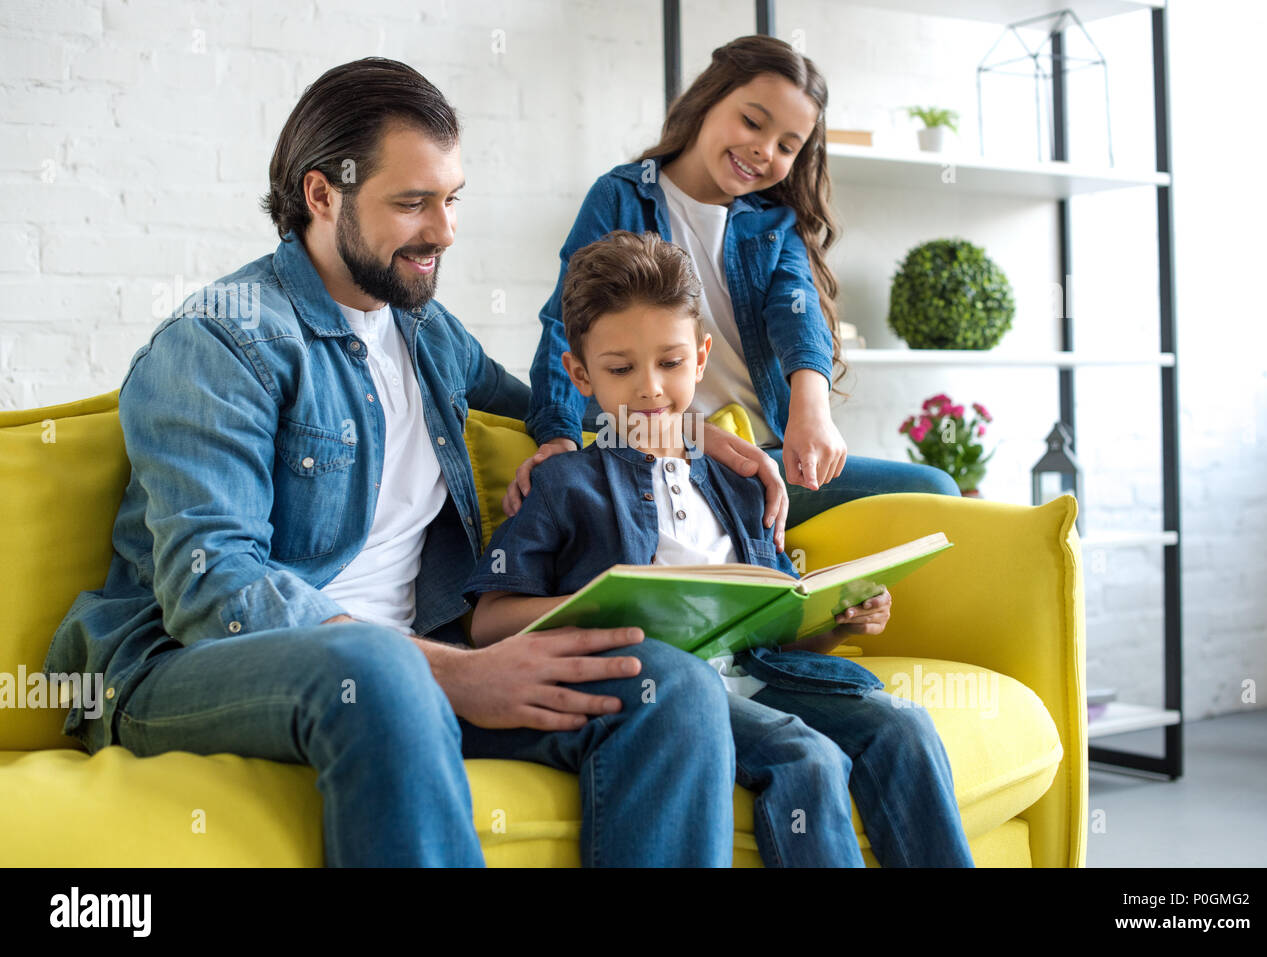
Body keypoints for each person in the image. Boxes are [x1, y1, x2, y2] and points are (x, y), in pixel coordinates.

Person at [40, 57, 737, 868]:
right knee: (377, 666)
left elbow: (562, 403)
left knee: (667, 686)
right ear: (321, 194)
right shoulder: (223, 341)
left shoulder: (426, 333)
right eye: (412, 203)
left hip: (401, 665)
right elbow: (213, 591)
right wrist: (449, 671)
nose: (443, 231)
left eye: (450, 200)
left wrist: (688, 435)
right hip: (190, 671)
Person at [465, 230, 973, 867]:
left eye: (671, 363)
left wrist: (837, 618)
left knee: (903, 726)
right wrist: (596, 607)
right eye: (621, 369)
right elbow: (486, 623)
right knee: (806, 754)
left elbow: (778, 622)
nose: (650, 389)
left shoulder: (737, 478)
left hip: (763, 677)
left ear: (701, 357)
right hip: (665, 697)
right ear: (579, 374)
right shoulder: (565, 485)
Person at [509, 35, 962, 534]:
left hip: (762, 452)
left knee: (937, 493)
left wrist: (811, 414)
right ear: (708, 99)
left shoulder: (776, 223)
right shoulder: (621, 196)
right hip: (654, 443)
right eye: (752, 122)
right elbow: (565, 326)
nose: (762, 150)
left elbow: (798, 314)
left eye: (787, 146)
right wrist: (558, 434)